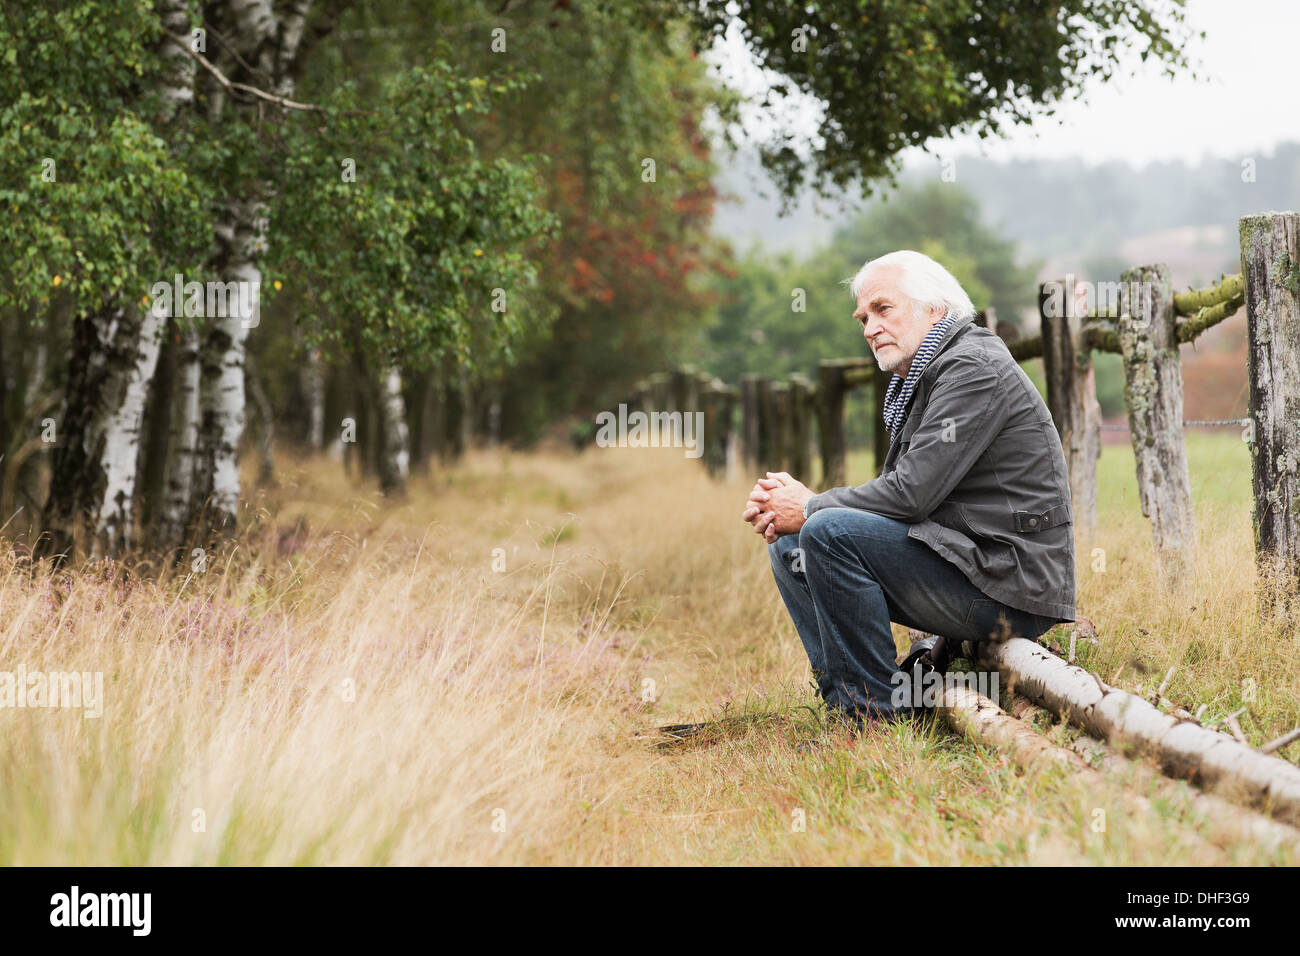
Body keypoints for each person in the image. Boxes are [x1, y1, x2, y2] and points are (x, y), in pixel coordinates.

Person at [742, 250, 1076, 727]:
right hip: (970, 563)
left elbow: (908, 495)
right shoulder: (922, 377)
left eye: (883, 309)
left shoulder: (972, 368)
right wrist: (792, 512)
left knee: (825, 531)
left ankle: (875, 717)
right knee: (792, 540)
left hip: (1010, 583)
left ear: (934, 309)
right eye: (862, 317)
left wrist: (810, 504)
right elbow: (903, 498)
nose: (869, 328)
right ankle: (846, 700)